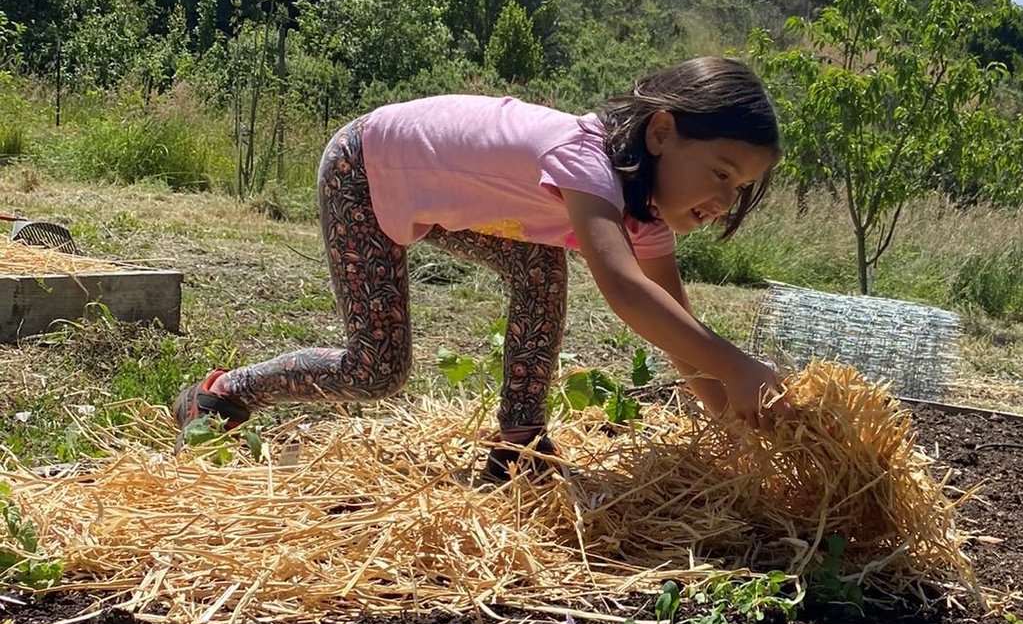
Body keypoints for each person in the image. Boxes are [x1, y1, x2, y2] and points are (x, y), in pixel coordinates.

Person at [171, 57, 785, 481]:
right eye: (721, 174)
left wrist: (734, 422)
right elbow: (625, 291)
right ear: (661, 133)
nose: (724, 201)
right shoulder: (585, 160)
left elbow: (678, 330)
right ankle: (220, 394)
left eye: (741, 189)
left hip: (450, 198)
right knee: (375, 369)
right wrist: (738, 366)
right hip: (365, 169)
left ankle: (517, 447)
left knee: (540, 270)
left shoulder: (642, 212)